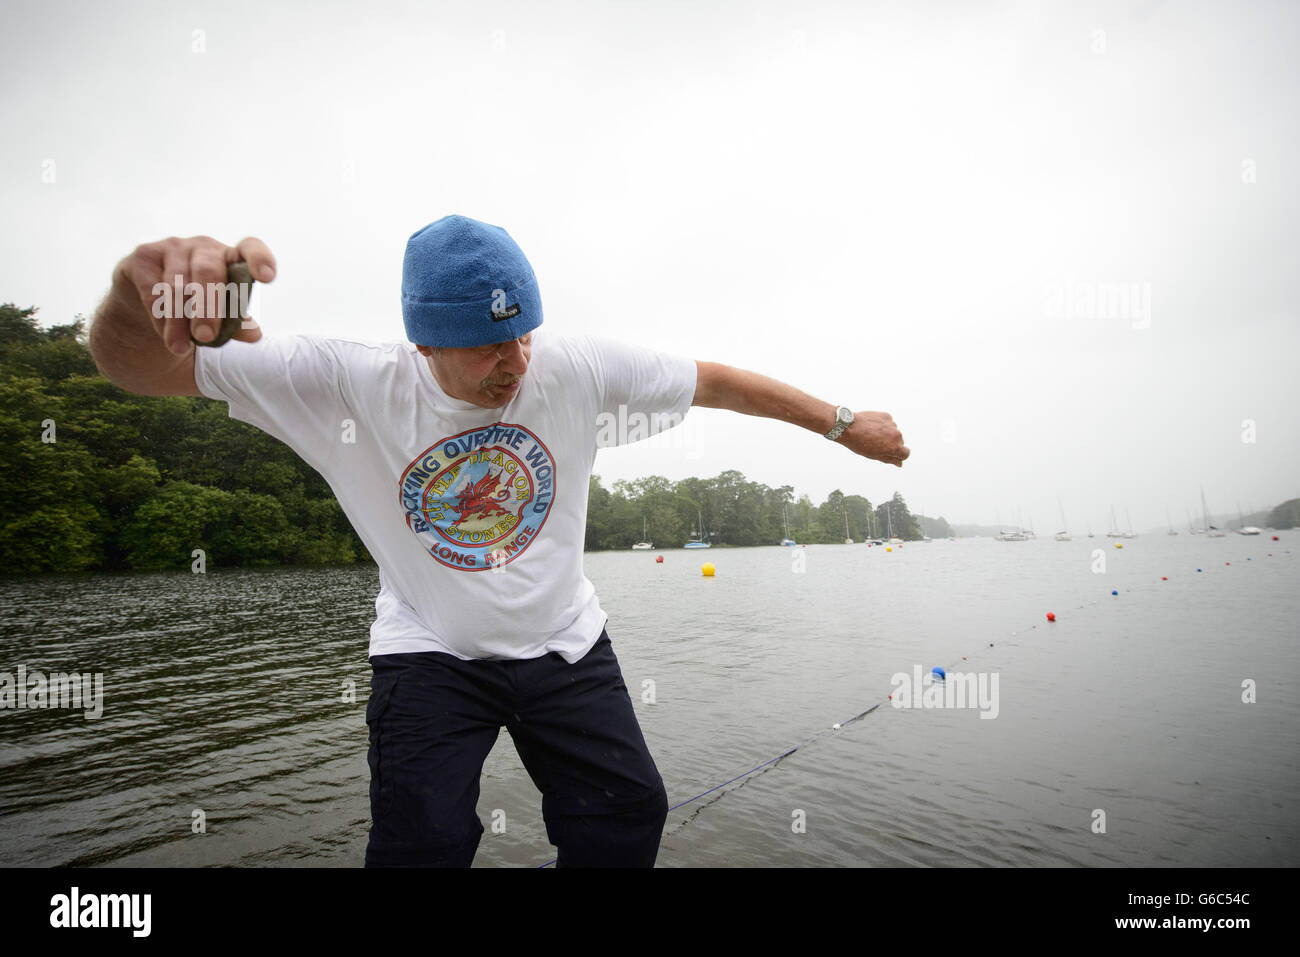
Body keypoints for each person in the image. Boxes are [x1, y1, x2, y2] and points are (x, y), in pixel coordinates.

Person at [88, 214, 909, 867]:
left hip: (564, 641)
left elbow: (716, 381)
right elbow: (133, 366)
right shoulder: (341, 383)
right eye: (488, 348)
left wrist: (841, 425)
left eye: (525, 336)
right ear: (425, 344)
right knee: (424, 844)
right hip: (429, 649)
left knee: (630, 814)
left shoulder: (573, 366)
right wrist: (139, 293)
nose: (516, 363)